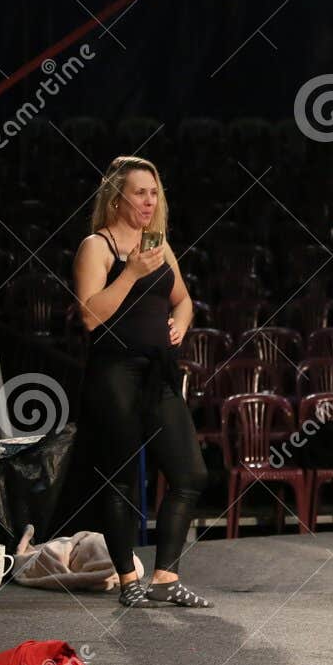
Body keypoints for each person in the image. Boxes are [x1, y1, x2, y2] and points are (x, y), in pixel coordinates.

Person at [71, 156, 211, 608]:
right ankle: (129, 578)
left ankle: (165, 579)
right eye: (140, 192)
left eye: (154, 192)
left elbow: (184, 298)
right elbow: (91, 316)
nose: (150, 201)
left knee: (190, 473)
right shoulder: (97, 246)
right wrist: (130, 271)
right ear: (117, 198)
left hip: (158, 372)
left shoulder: (159, 244)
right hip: (115, 371)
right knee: (121, 479)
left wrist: (181, 321)